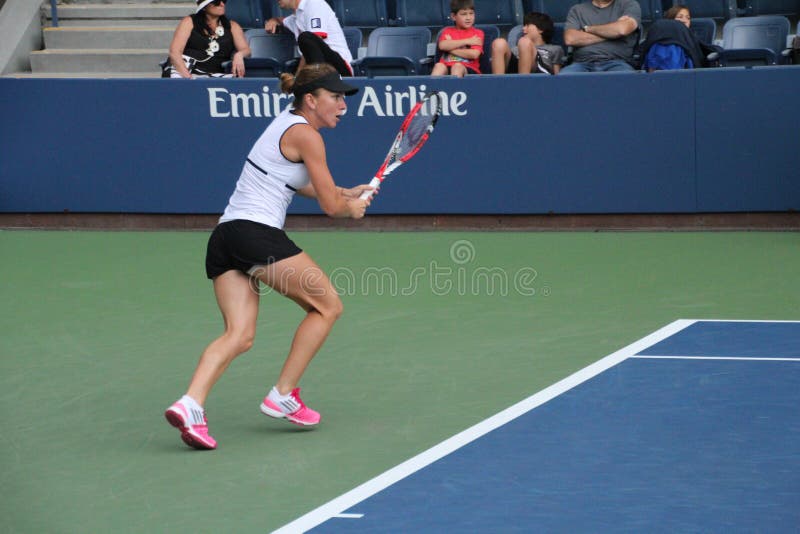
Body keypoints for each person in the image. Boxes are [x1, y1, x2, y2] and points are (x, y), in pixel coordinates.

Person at [164, 63, 373, 450]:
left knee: (239, 335)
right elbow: (330, 207)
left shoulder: (285, 123)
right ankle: (283, 394)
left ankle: (190, 404)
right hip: (256, 234)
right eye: (335, 97)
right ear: (311, 100)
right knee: (327, 307)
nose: (343, 105)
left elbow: (296, 182)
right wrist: (350, 208)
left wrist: (347, 192)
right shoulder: (308, 135)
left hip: (225, 236)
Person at [264, 0, 353, 77]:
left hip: (339, 67)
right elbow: (282, 21)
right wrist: (274, 20)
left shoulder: (314, 4)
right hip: (317, 67)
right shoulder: (295, 16)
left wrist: (298, 77)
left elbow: (313, 43)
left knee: (307, 38)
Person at [166, 0, 251, 78]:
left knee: (236, 81)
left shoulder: (232, 26)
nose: (222, 4)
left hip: (215, 74)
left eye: (224, 1)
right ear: (204, 7)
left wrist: (239, 55)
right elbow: (175, 52)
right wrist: (188, 78)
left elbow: (246, 50)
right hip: (187, 70)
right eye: (217, 2)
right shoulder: (189, 21)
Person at [561, 0, 641, 73]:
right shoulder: (577, 10)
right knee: (563, 78)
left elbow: (622, 30)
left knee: (625, 79)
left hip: (618, 63)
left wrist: (587, 29)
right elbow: (570, 39)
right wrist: (612, 33)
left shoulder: (629, 5)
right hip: (581, 64)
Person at [491, 12, 563, 75]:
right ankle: (498, 83)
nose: (523, 29)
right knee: (499, 43)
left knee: (525, 42)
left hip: (540, 74)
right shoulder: (515, 48)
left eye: (527, 25)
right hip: (516, 70)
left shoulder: (555, 49)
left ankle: (524, 83)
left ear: (540, 29)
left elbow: (557, 75)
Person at [431, 0, 485, 77]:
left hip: (468, 69)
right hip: (446, 66)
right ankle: (433, 85)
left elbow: (474, 54)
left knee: (457, 66)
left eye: (471, 13)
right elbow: (442, 46)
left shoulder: (477, 33)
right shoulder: (447, 31)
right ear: (453, 16)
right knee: (438, 66)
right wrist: (468, 41)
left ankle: (455, 85)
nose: (468, 18)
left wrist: (450, 48)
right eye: (464, 14)